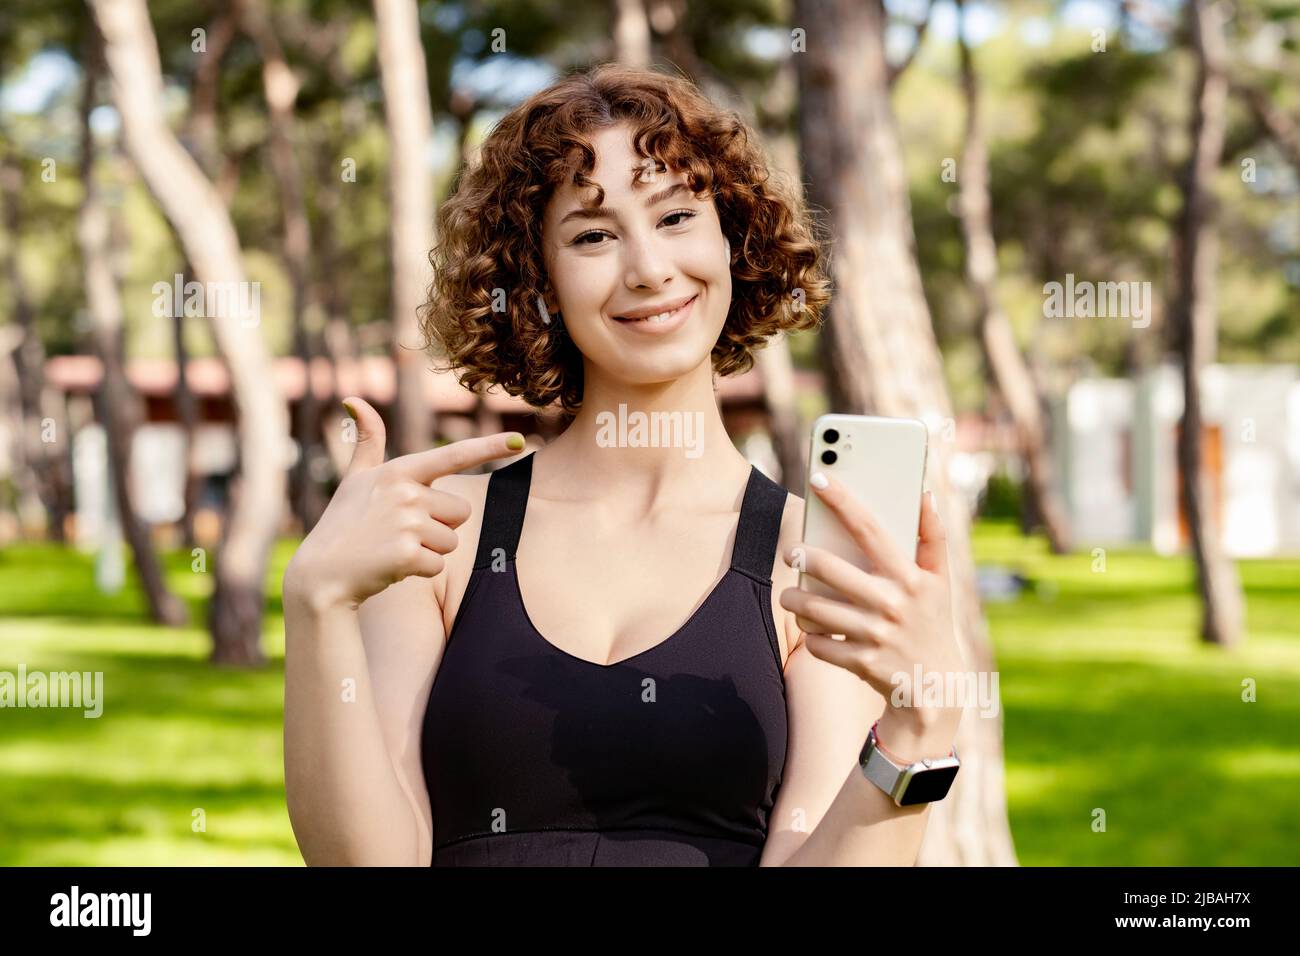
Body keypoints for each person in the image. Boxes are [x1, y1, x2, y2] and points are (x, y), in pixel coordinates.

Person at [283, 64, 965, 867]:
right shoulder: (442, 533)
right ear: (538, 283)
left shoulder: (807, 557)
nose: (647, 267)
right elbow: (368, 862)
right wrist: (316, 603)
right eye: (593, 235)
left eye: (676, 216)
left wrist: (922, 732)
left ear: (732, 240)